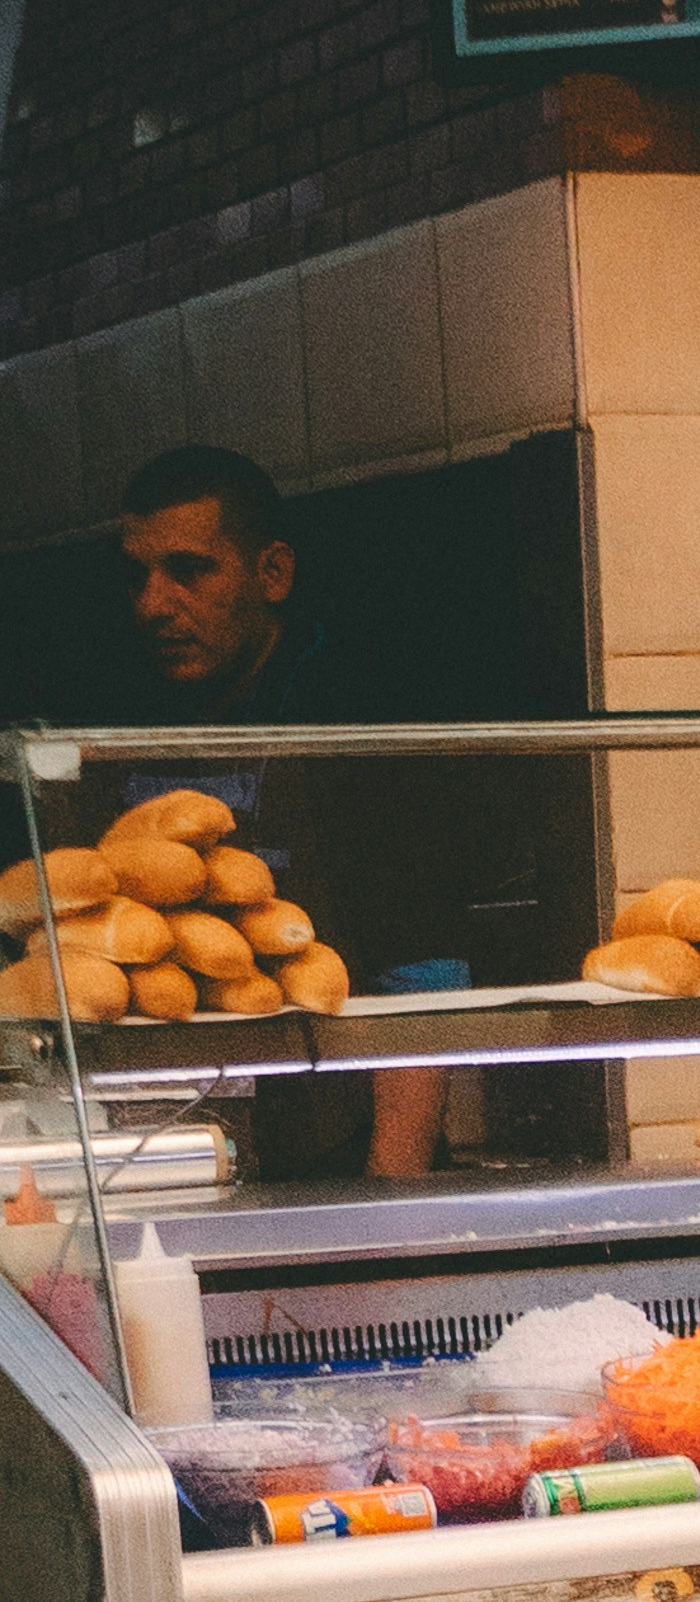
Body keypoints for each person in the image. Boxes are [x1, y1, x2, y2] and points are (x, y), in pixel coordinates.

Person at [106, 447, 444, 1184]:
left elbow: (421, 981)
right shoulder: (110, 721)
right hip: (156, 1157)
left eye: (189, 571)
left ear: (273, 574)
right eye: (138, 575)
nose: (153, 603)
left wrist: (391, 1208)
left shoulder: (351, 718)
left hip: (337, 1154)